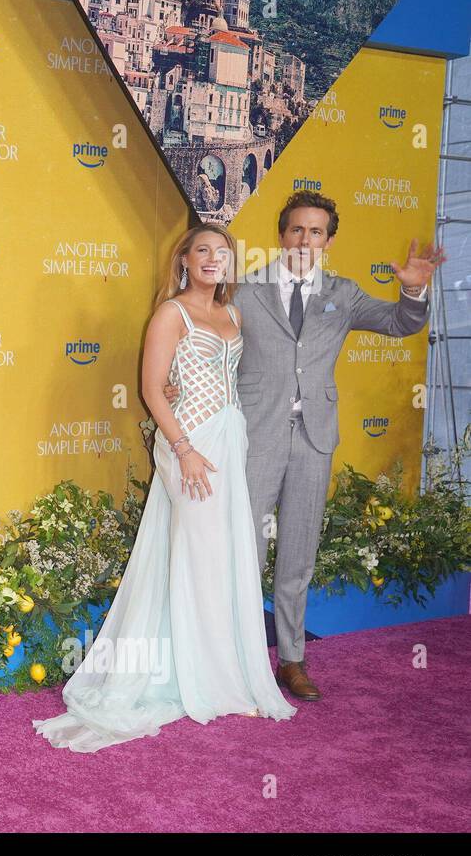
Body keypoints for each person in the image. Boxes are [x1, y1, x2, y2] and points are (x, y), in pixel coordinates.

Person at [164, 191, 441, 701]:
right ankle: (238, 659)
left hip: (315, 439)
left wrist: (413, 290)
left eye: (316, 232)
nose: (304, 240)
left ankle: (291, 660)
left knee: (298, 553)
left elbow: (401, 323)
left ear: (328, 241)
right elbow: (204, 342)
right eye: (296, 229)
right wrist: (172, 384)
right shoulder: (243, 291)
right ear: (281, 235)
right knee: (244, 549)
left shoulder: (344, 293)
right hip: (254, 436)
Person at [33, 224, 297, 753]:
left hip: (229, 442)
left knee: (221, 559)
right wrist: (183, 448)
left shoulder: (233, 314)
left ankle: (221, 675)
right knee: (198, 557)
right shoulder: (170, 314)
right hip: (188, 446)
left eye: (222, 253)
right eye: (203, 251)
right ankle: (207, 682)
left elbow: (222, 381)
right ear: (184, 259)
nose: (213, 260)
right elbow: (153, 390)